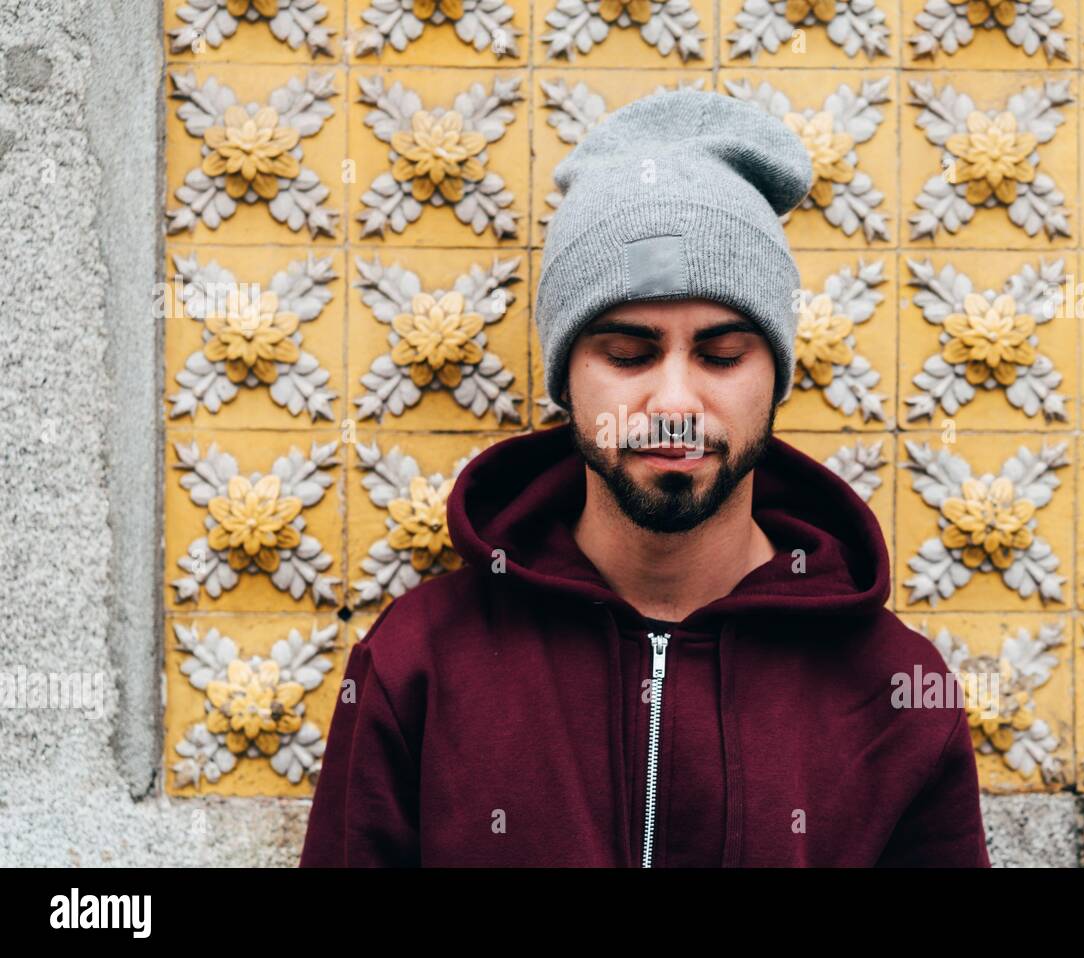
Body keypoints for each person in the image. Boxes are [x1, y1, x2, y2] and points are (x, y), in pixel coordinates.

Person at [299, 89, 990, 867]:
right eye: (627, 354)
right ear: (567, 378)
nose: (672, 402)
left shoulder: (895, 690)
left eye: (722, 355)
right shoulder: (421, 662)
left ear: (777, 376)